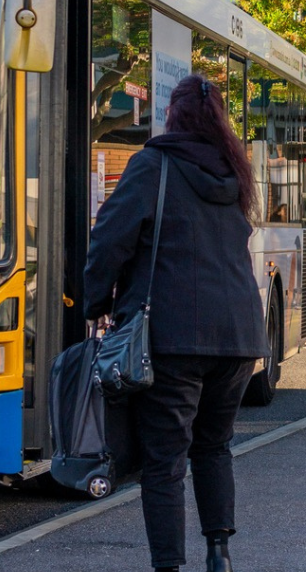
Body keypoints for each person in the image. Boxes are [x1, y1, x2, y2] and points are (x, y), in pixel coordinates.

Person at [83, 74, 266, 572]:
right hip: (237, 337)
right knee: (214, 446)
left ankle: (168, 566)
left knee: (164, 461)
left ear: (172, 115)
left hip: (172, 337)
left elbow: (109, 240)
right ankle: (219, 555)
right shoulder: (234, 171)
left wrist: (94, 303)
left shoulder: (153, 165)